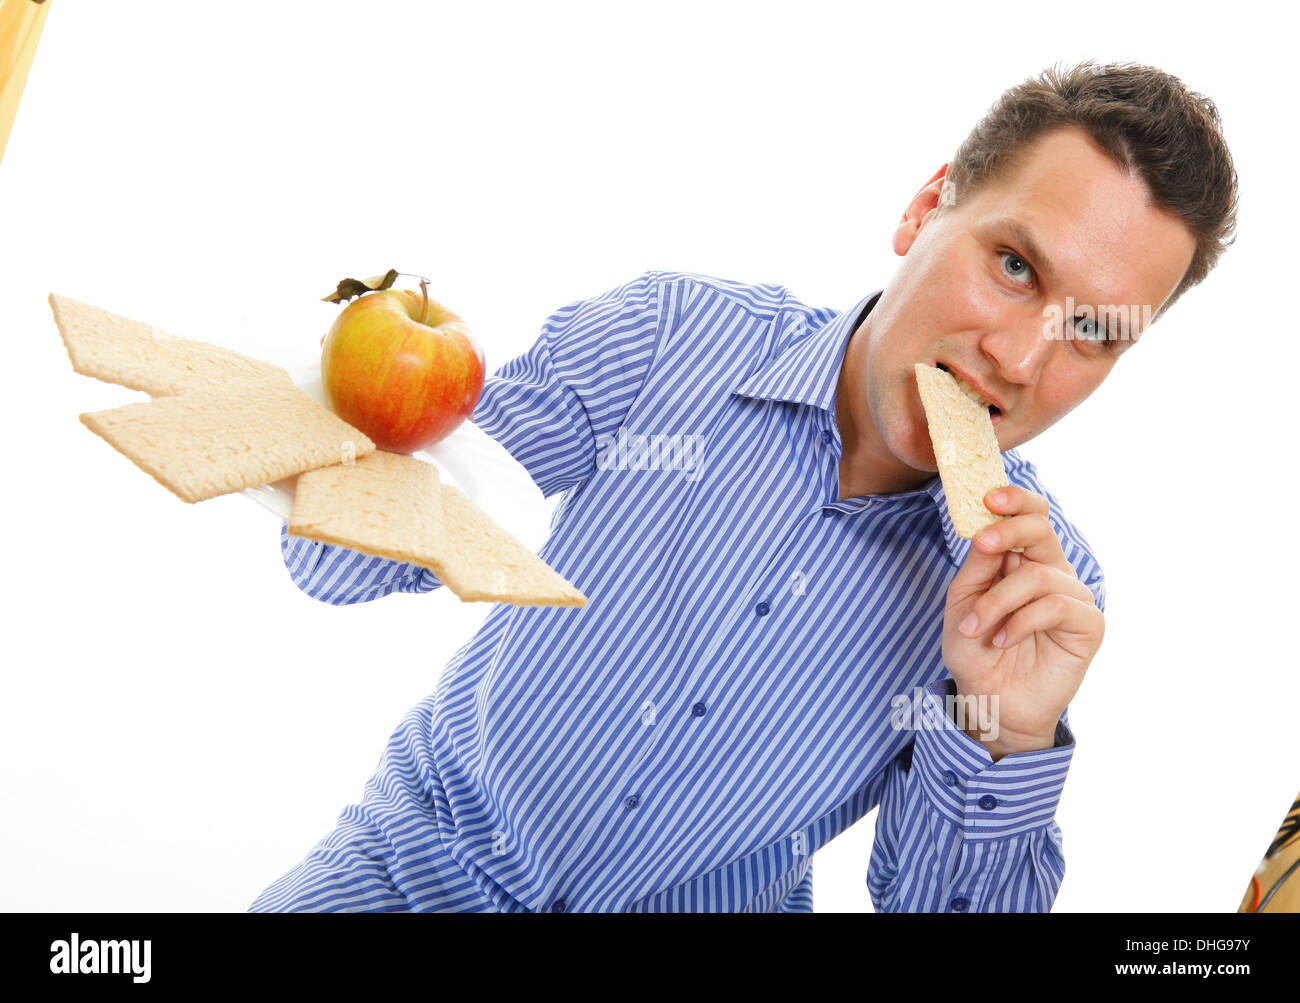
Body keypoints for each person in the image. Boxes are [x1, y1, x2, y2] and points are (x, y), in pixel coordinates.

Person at [249, 59, 1237, 913]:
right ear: (927, 204)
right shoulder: (664, 338)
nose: (1020, 359)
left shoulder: (1032, 602)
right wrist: (366, 399)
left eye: (1094, 332)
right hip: (408, 875)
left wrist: (1004, 732)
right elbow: (333, 567)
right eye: (1015, 264)